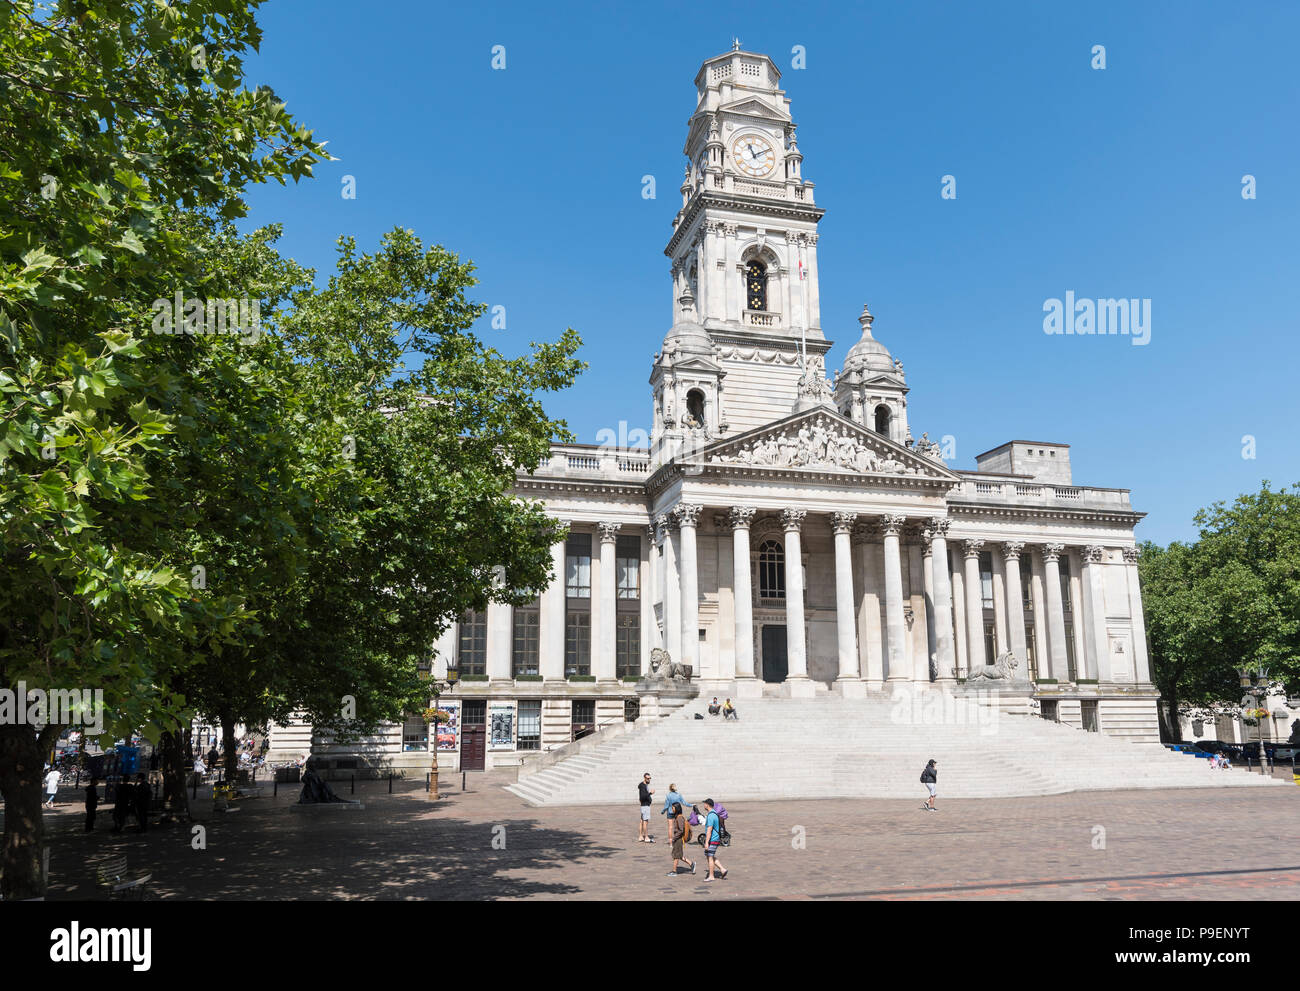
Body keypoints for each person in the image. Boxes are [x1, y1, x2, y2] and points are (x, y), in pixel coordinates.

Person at [701, 798, 728, 881]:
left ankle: (711, 876)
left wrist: (706, 842)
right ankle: (722, 869)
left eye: (704, 803)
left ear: (707, 805)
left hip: (712, 839)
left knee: (710, 857)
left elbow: (709, 830)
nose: (703, 805)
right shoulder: (714, 813)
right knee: (710, 856)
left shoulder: (711, 815)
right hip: (715, 838)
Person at [667, 802, 696, 876]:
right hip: (678, 838)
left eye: (673, 808)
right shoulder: (678, 817)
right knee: (678, 855)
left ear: (676, 809)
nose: (672, 809)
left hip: (678, 839)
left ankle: (674, 871)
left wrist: (674, 838)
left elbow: (681, 830)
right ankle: (691, 864)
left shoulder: (679, 818)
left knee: (676, 855)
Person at [637, 772, 655, 843]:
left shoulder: (644, 785)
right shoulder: (643, 786)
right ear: (644, 778)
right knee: (645, 822)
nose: (649, 779)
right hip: (645, 806)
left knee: (642, 821)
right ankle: (646, 837)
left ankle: (641, 836)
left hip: (644, 805)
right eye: (647, 778)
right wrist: (650, 793)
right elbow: (642, 797)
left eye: (650, 778)